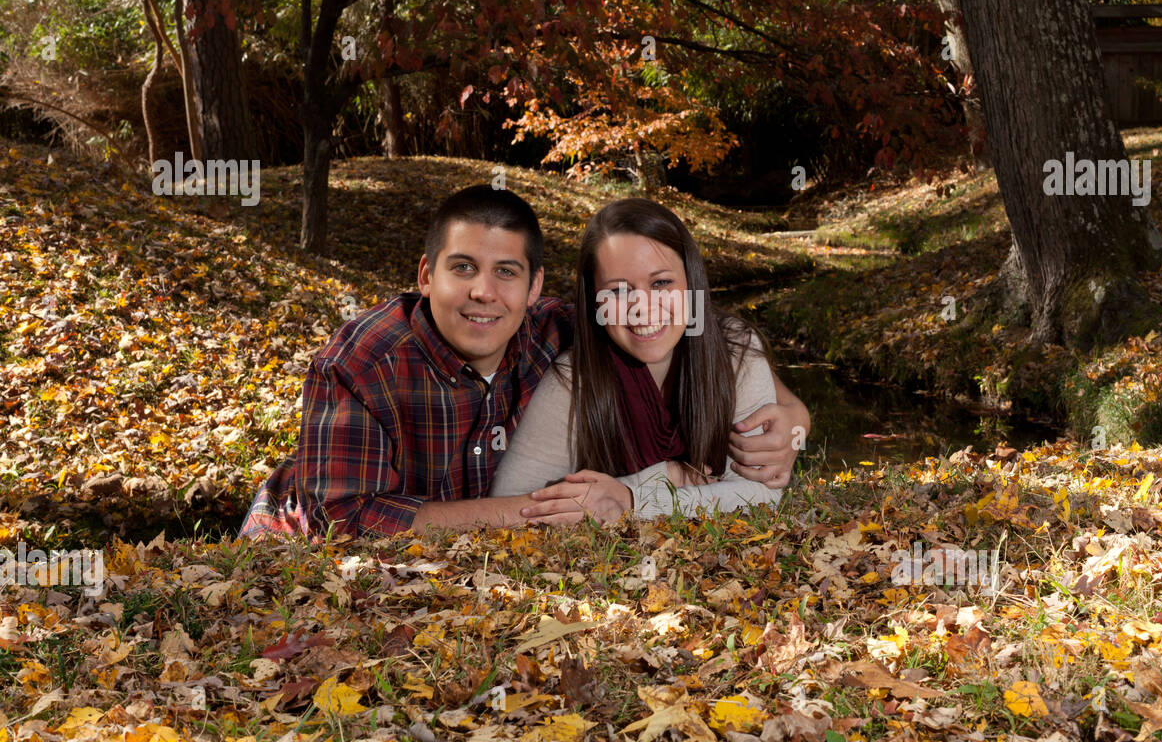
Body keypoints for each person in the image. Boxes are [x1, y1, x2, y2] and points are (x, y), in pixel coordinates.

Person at [238, 185, 808, 539]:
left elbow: (703, 339)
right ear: (424, 276)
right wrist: (638, 492)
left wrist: (794, 415)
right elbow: (342, 520)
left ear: (536, 286)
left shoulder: (563, 327)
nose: (484, 293)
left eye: (506, 272)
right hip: (297, 542)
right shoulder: (360, 364)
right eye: (462, 268)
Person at [490, 198, 791, 524]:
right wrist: (664, 478)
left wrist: (634, 498)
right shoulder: (572, 379)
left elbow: (763, 492)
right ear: (594, 300)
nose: (643, 307)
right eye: (618, 291)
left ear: (691, 281)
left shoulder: (736, 350)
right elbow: (512, 502)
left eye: (661, 283)